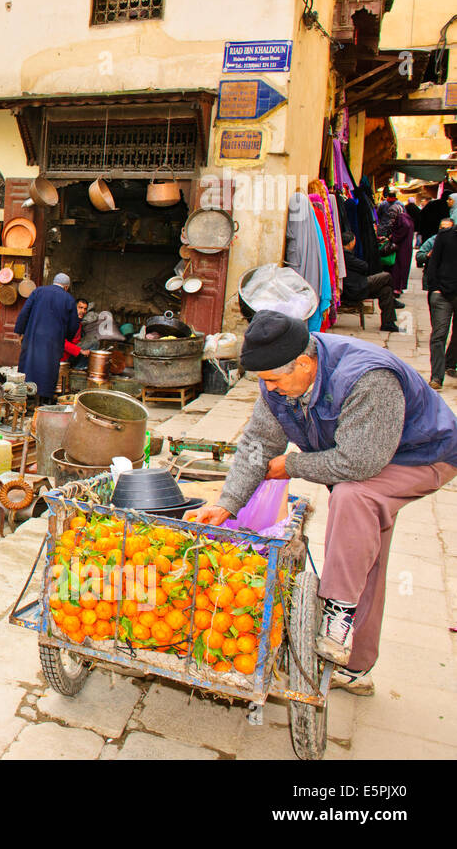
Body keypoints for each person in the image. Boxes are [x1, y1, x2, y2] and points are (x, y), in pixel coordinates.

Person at [187, 311, 457, 696]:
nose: (272, 390)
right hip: (365, 453)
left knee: (354, 495)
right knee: (362, 545)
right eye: (266, 383)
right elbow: (258, 444)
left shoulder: (368, 380)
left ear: (305, 363)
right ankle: (354, 664)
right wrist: (227, 504)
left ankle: (338, 610)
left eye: (276, 382)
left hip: (423, 455)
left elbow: (360, 462)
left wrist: (292, 465)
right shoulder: (279, 381)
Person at [14, 273, 81, 404]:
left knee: (29, 364)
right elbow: (73, 324)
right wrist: (67, 336)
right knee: (48, 368)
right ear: (66, 287)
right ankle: (44, 400)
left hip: (33, 336)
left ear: (53, 282)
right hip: (53, 341)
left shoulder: (38, 291)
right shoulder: (69, 299)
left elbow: (24, 312)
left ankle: (25, 398)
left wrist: (20, 331)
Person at [340, 235, 399, 332]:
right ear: (351, 243)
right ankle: (394, 299)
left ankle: (388, 323)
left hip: (358, 285)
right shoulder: (345, 255)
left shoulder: (346, 255)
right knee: (386, 276)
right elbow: (364, 266)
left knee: (386, 290)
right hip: (356, 288)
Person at [425, 219, 457, 388]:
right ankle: (437, 377)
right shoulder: (445, 236)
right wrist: (434, 288)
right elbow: (433, 262)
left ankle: (450, 365)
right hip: (442, 294)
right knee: (439, 335)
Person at [63, 297, 91, 370]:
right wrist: (81, 351)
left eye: (85, 309)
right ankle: (78, 368)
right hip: (63, 355)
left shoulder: (78, 323)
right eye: (80, 308)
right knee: (94, 342)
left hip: (72, 350)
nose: (83, 311)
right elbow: (61, 341)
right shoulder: (68, 322)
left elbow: (76, 340)